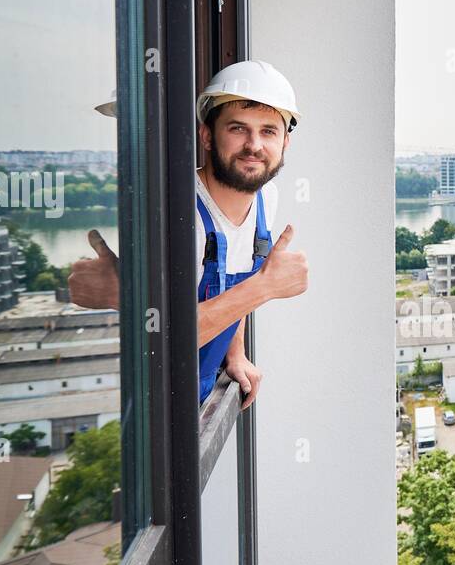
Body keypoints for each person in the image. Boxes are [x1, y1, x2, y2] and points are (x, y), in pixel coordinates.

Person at [68, 60, 308, 408]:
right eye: (238, 129)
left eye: (269, 131)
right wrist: (266, 286)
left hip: (203, 395)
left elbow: (237, 272)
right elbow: (168, 337)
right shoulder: (176, 215)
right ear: (207, 136)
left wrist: (235, 352)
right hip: (157, 415)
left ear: (285, 142)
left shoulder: (264, 198)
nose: (254, 145)